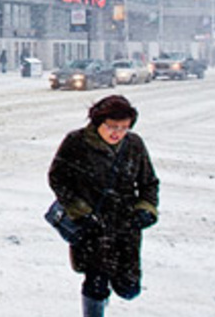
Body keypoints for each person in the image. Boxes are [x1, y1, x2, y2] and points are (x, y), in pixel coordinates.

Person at [48, 95, 159, 317]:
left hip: (126, 225)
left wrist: (146, 209)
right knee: (95, 280)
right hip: (92, 225)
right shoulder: (77, 142)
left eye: (124, 127)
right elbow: (57, 178)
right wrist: (79, 210)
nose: (117, 133)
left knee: (128, 288)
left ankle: (107, 295)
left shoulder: (134, 145)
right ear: (99, 122)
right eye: (112, 127)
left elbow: (149, 182)